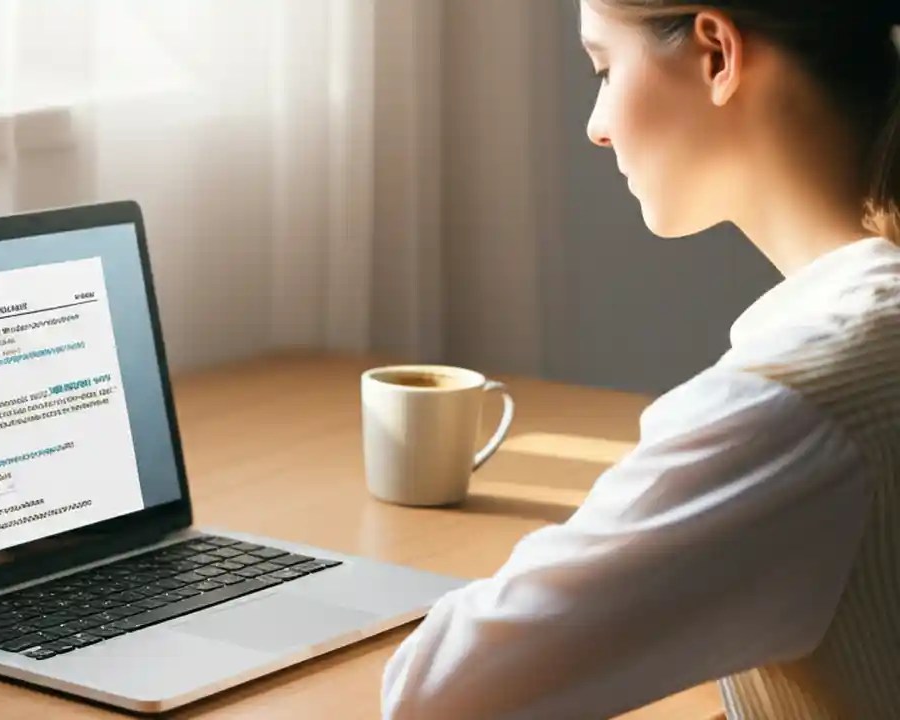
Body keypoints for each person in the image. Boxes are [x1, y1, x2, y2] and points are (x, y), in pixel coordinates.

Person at [380, 1, 900, 718]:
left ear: (717, 53)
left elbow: (434, 698)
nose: (596, 124)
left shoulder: (795, 409)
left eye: (604, 67)